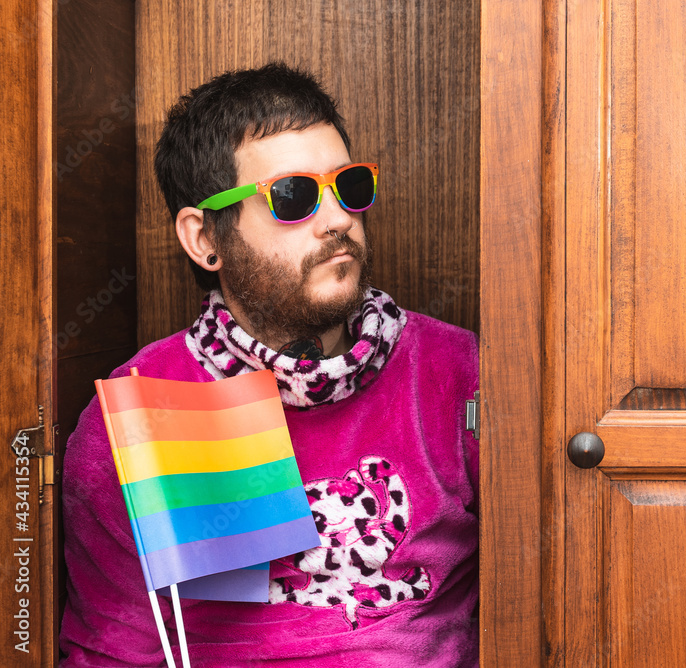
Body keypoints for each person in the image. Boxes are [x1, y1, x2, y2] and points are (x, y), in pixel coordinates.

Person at [59, 63, 479, 667]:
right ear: (204, 238)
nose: (338, 220)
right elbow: (113, 656)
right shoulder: (144, 411)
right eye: (294, 196)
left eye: (349, 186)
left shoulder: (457, 372)